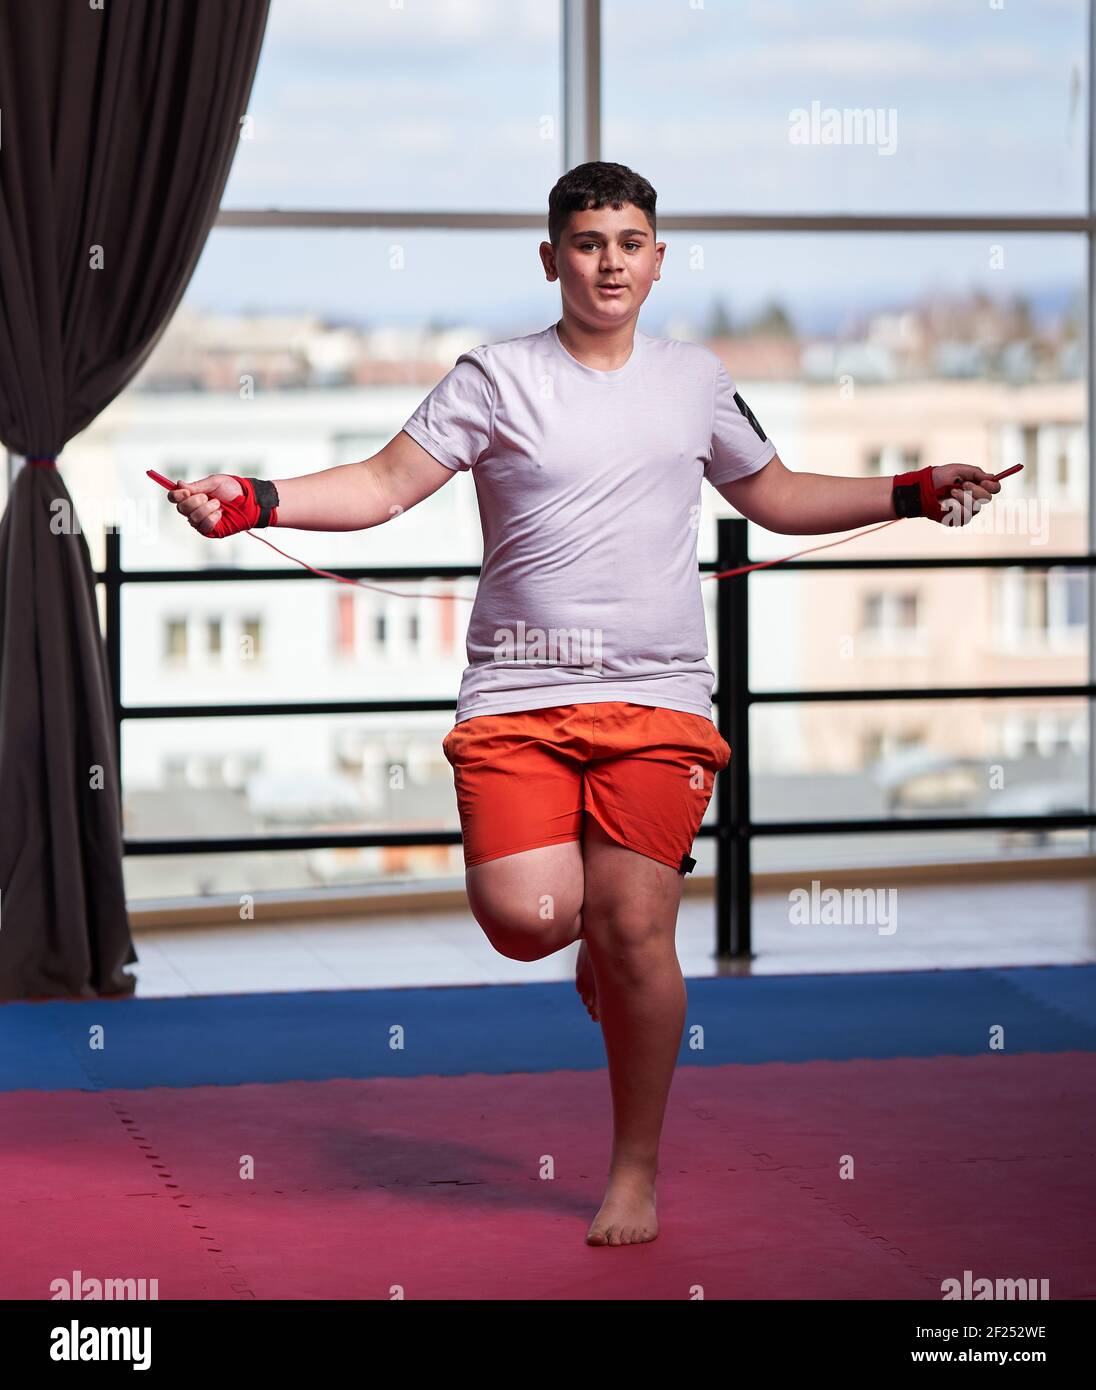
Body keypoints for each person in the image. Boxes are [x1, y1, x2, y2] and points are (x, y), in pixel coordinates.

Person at [166, 161, 1001, 1247]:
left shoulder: (695, 380)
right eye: (590, 241)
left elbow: (779, 495)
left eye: (630, 241)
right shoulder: (491, 377)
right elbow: (380, 485)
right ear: (552, 257)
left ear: (657, 259)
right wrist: (253, 501)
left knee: (636, 925)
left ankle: (633, 1169)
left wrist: (914, 491)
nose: (610, 259)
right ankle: (585, 941)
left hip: (656, 697)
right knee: (529, 919)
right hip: (517, 688)